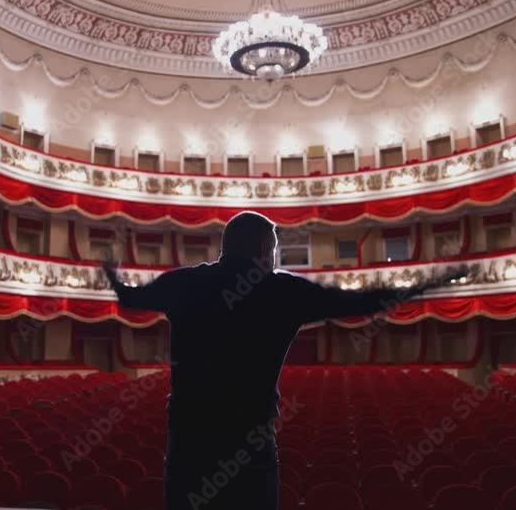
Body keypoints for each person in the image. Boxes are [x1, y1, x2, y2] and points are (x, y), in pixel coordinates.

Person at [102, 211, 465, 510]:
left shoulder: (184, 283)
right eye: (274, 250)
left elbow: (130, 299)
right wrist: (427, 284)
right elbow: (361, 302)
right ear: (265, 249)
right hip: (248, 444)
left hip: (190, 441)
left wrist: (110, 272)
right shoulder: (282, 291)